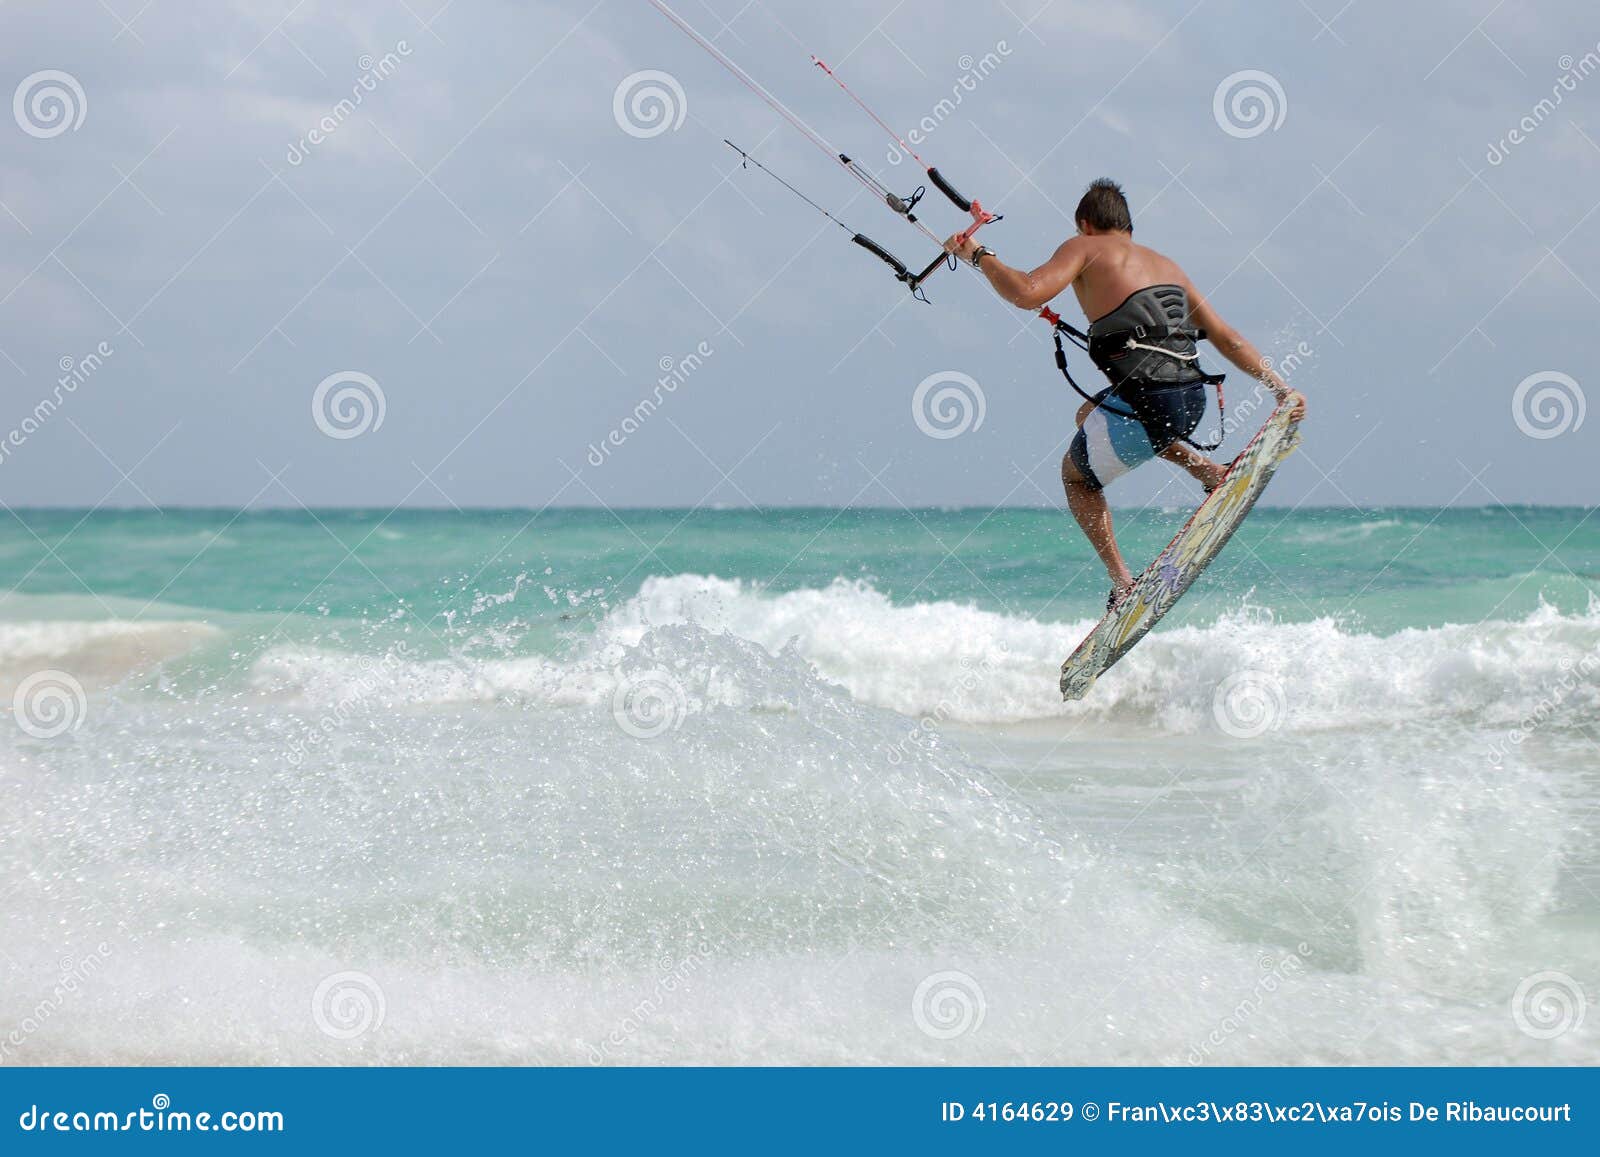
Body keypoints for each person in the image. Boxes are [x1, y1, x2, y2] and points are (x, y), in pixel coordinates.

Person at [945, 178, 1306, 608]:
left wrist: (979, 255)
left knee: (1075, 478)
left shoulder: (1084, 247)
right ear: (1127, 227)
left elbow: (1026, 292)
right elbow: (1226, 337)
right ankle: (1206, 470)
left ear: (1085, 224)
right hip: (1193, 400)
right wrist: (1280, 389)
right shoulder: (1167, 265)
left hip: (1150, 402)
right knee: (1088, 413)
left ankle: (1122, 582)